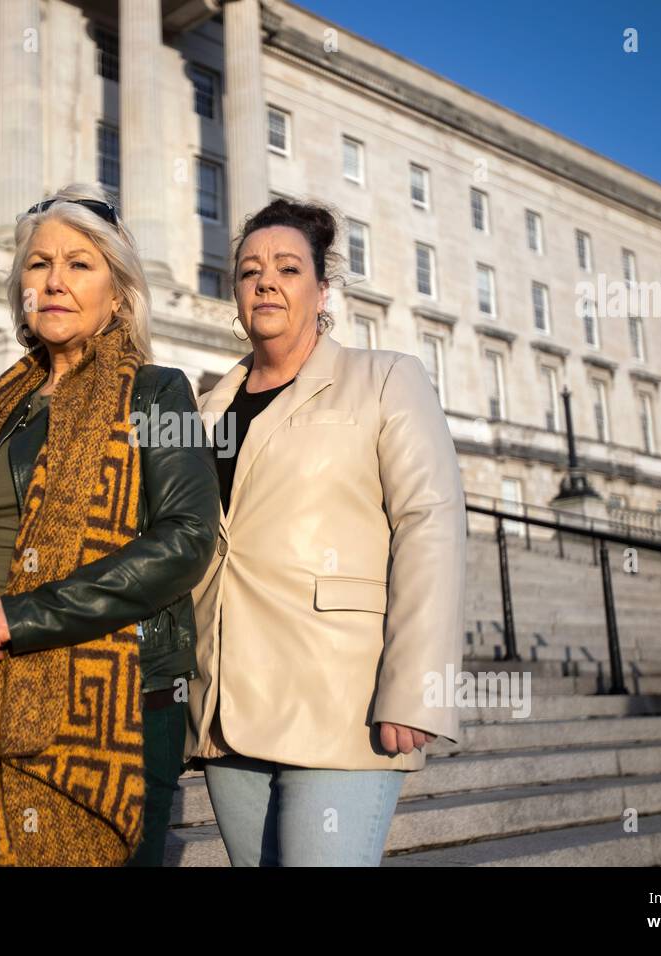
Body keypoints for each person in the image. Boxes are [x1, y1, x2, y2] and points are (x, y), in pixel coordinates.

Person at [0, 183, 219, 866]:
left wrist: (25, 615)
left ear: (119, 293)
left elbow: (187, 537)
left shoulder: (158, 392)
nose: (54, 280)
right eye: (39, 264)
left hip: (122, 694)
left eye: (79, 264)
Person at [185, 197, 467, 866]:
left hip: (341, 702)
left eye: (287, 267)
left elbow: (430, 525)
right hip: (228, 712)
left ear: (321, 289)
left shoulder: (385, 379)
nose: (266, 281)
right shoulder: (204, 408)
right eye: (250, 270)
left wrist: (417, 686)